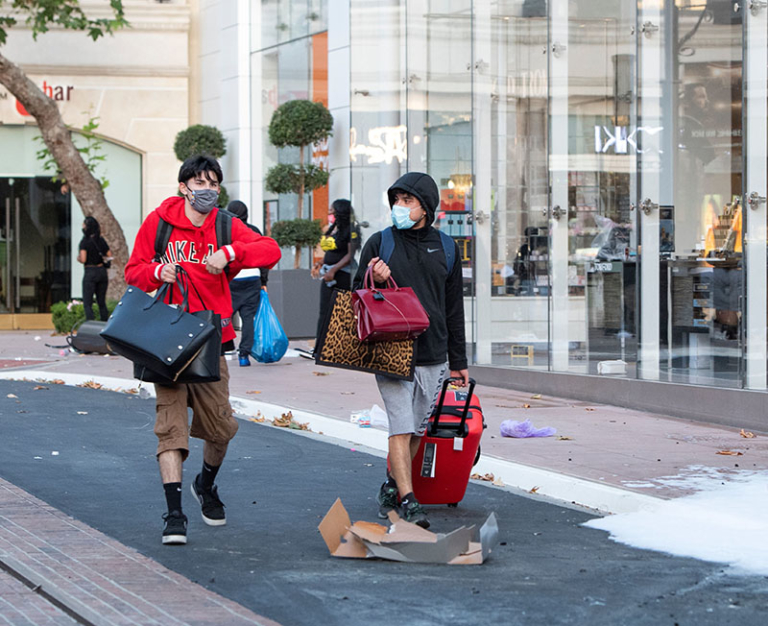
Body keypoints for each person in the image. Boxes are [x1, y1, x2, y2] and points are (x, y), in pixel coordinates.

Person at [124, 155, 281, 545]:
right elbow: (133, 271)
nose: (207, 189)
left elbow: (270, 250)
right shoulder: (159, 223)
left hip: (213, 338)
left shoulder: (226, 225)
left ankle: (205, 484)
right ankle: (174, 513)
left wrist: (230, 254)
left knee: (222, 428)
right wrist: (156, 271)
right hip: (164, 338)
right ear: (183, 187)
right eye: (199, 182)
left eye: (213, 183)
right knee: (170, 429)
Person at [353, 172, 468, 529]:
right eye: (396, 200)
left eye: (408, 201)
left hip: (433, 351)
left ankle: (391, 485)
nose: (399, 208)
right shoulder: (381, 243)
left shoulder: (447, 248)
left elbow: (453, 308)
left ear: (426, 207)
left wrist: (459, 360)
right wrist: (377, 278)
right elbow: (358, 291)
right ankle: (409, 499)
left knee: (417, 429)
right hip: (391, 348)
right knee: (400, 427)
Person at [225, 200, 270, 367]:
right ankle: (244, 355)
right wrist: (263, 281)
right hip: (253, 278)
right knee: (248, 318)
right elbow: (264, 257)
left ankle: (221, 350)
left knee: (224, 316)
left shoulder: (226, 231)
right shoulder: (254, 231)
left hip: (233, 279)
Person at [312, 199, 360, 342]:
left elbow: (350, 255)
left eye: (332, 209)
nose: (330, 212)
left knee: (342, 311)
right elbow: (332, 251)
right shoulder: (334, 229)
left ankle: (343, 344)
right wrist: (321, 262)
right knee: (324, 311)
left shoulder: (351, 229)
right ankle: (320, 345)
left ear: (340, 211)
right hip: (328, 274)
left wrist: (333, 269)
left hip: (342, 275)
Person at [77, 216, 112, 321]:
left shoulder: (84, 242)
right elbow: (109, 255)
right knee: (101, 302)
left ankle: (90, 325)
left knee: (87, 303)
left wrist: (78, 258)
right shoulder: (101, 240)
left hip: (90, 271)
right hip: (102, 271)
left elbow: (83, 259)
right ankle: (105, 324)